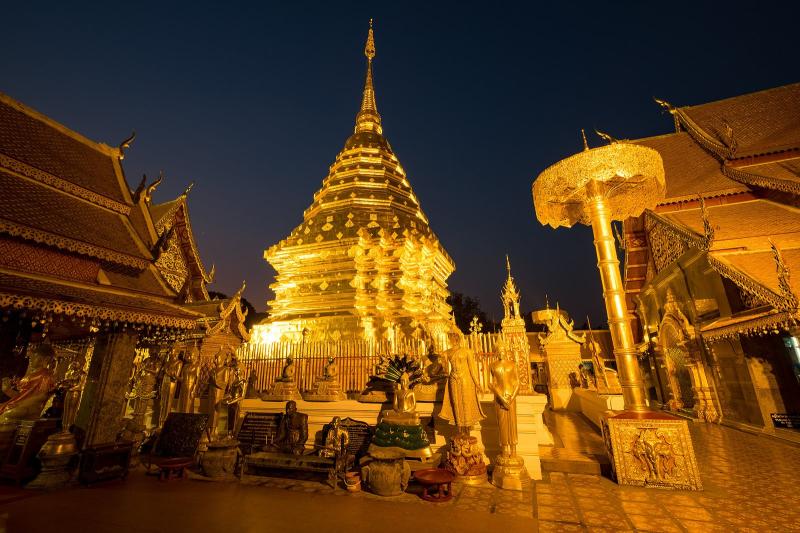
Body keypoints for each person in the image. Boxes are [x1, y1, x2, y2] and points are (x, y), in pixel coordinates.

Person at [438, 328, 485, 433]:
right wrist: (442, 362)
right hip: (453, 379)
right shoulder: (447, 352)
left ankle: (467, 430)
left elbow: (472, 369)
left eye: (454, 336)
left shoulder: (467, 351)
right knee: (456, 403)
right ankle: (459, 430)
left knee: (465, 402)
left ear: (458, 337)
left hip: (465, 379)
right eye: (450, 336)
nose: (452, 338)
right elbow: (444, 370)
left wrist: (478, 384)